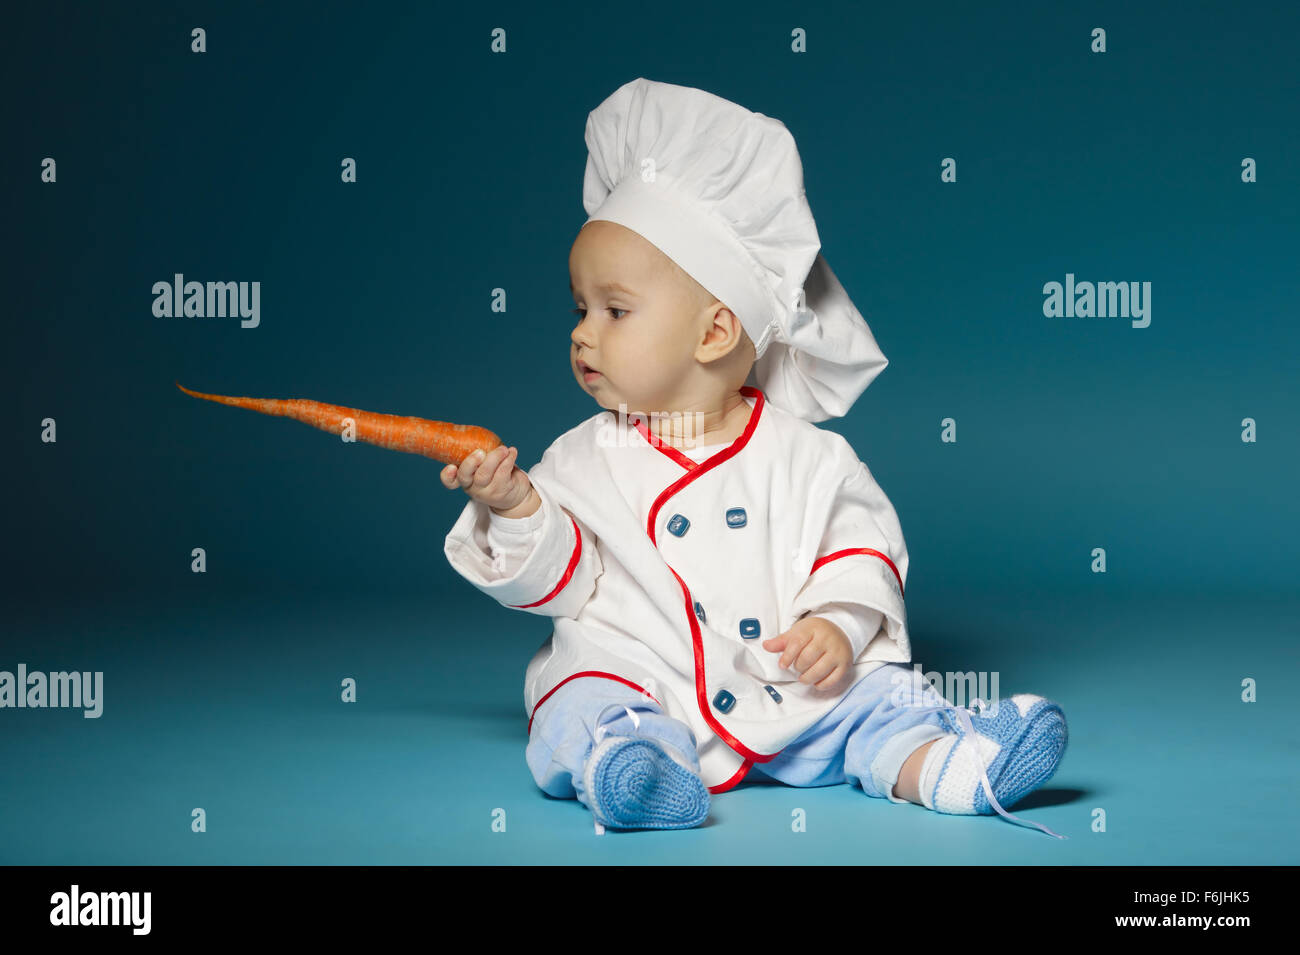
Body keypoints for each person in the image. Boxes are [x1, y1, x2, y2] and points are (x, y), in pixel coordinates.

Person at [441, 78, 1068, 836]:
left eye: (614, 310)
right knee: (577, 697)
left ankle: (944, 762)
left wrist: (835, 623)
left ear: (713, 332)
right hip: (642, 675)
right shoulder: (579, 457)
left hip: (788, 685)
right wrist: (515, 510)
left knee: (875, 695)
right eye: (579, 309)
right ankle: (633, 766)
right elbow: (562, 583)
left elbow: (858, 546)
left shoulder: (806, 458)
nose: (581, 333)